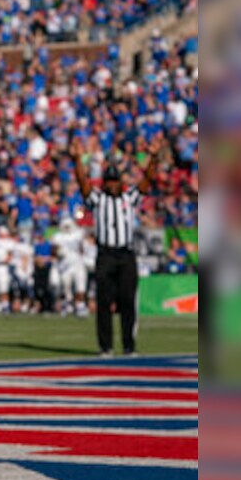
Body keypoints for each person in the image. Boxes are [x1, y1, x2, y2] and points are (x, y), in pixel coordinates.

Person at [70, 137, 162, 357]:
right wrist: (77, 159)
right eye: (108, 181)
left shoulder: (130, 197)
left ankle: (129, 346)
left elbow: (147, 180)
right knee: (104, 302)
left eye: (114, 181)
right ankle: (106, 347)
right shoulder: (98, 199)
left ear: (121, 181)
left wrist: (154, 157)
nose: (111, 185)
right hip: (105, 254)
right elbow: (83, 182)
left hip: (125, 254)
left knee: (128, 301)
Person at [53, 217, 89, 316]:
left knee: (80, 285)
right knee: (66, 287)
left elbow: (82, 248)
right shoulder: (58, 236)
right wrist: (59, 253)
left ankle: (80, 306)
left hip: (77, 263)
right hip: (65, 265)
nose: (67, 228)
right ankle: (67, 305)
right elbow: (54, 251)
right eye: (65, 226)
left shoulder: (78, 234)